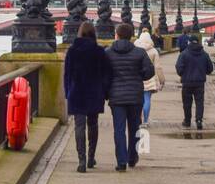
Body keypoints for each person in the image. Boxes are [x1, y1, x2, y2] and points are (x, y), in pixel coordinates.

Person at [105, 22, 154, 170]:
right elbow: (149, 72)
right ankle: (132, 157)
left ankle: (121, 162)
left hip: (116, 96)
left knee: (119, 130)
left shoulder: (108, 52)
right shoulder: (139, 53)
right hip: (135, 96)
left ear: (117, 35)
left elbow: (104, 74)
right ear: (131, 36)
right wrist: (138, 77)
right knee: (134, 128)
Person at [63, 20, 111, 172]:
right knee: (93, 124)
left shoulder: (72, 51)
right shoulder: (99, 51)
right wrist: (105, 92)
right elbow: (106, 74)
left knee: (79, 125)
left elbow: (67, 75)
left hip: (77, 92)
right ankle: (91, 157)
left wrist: (67, 92)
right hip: (94, 92)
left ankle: (81, 160)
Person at [175, 33, 215, 128]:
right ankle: (199, 120)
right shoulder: (204, 54)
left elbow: (179, 68)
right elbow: (210, 69)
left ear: (189, 42)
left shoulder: (184, 54)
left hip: (187, 82)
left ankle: (187, 120)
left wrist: (183, 74)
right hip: (199, 82)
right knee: (199, 102)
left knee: (187, 103)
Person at [135, 27, 165, 127]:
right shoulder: (153, 51)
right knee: (146, 98)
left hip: (137, 77)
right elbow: (158, 67)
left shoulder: (135, 49)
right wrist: (162, 80)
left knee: (138, 100)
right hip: (149, 77)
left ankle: (138, 119)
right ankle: (146, 120)